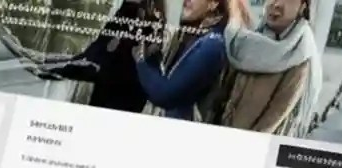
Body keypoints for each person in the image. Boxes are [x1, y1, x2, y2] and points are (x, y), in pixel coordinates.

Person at [1, 0, 168, 113]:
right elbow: (95, 56)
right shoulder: (132, 12)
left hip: (116, 108)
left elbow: (96, 64)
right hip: (110, 101)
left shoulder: (143, 19)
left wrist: (44, 65)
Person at [133, 0, 250, 122]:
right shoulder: (196, 34)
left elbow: (165, 95)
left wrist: (140, 59)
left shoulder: (213, 44)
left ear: (213, 3)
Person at [218, 0, 322, 136]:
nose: (276, 4)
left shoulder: (299, 55)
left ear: (303, 6)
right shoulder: (252, 40)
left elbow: (275, 118)